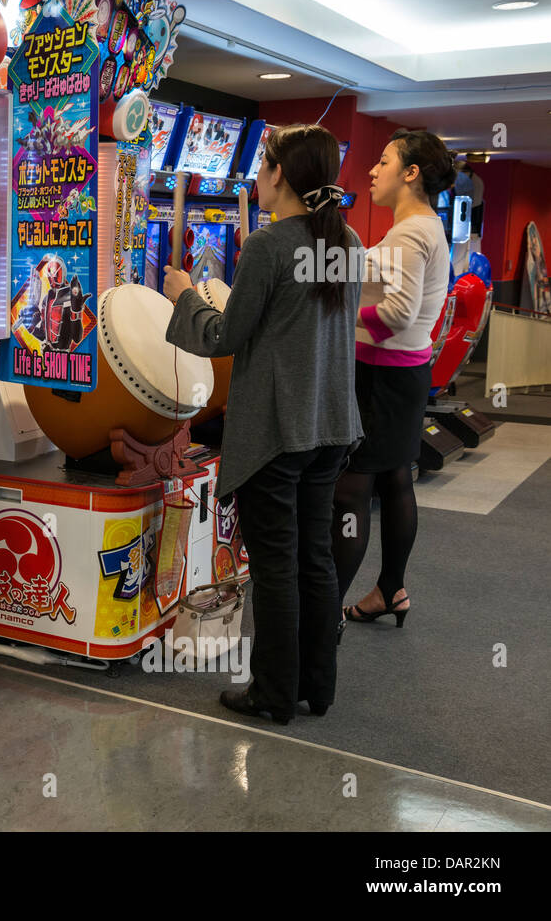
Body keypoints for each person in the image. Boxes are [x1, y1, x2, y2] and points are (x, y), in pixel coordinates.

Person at [163, 124, 363, 724]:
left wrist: (184, 295)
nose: (256, 177)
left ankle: (274, 693)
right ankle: (315, 688)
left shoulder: (269, 247)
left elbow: (225, 336)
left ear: (279, 174)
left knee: (275, 564)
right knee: (314, 559)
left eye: (264, 166)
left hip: (278, 430)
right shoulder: (347, 241)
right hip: (331, 425)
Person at [333, 129, 452, 634]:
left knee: (350, 493)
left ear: (411, 174)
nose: (371, 171)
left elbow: (397, 316)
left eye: (383, 162)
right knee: (396, 479)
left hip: (383, 376)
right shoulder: (427, 226)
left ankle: (325, 609)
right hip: (407, 374)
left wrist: (340, 321)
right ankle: (391, 588)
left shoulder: (409, 233)